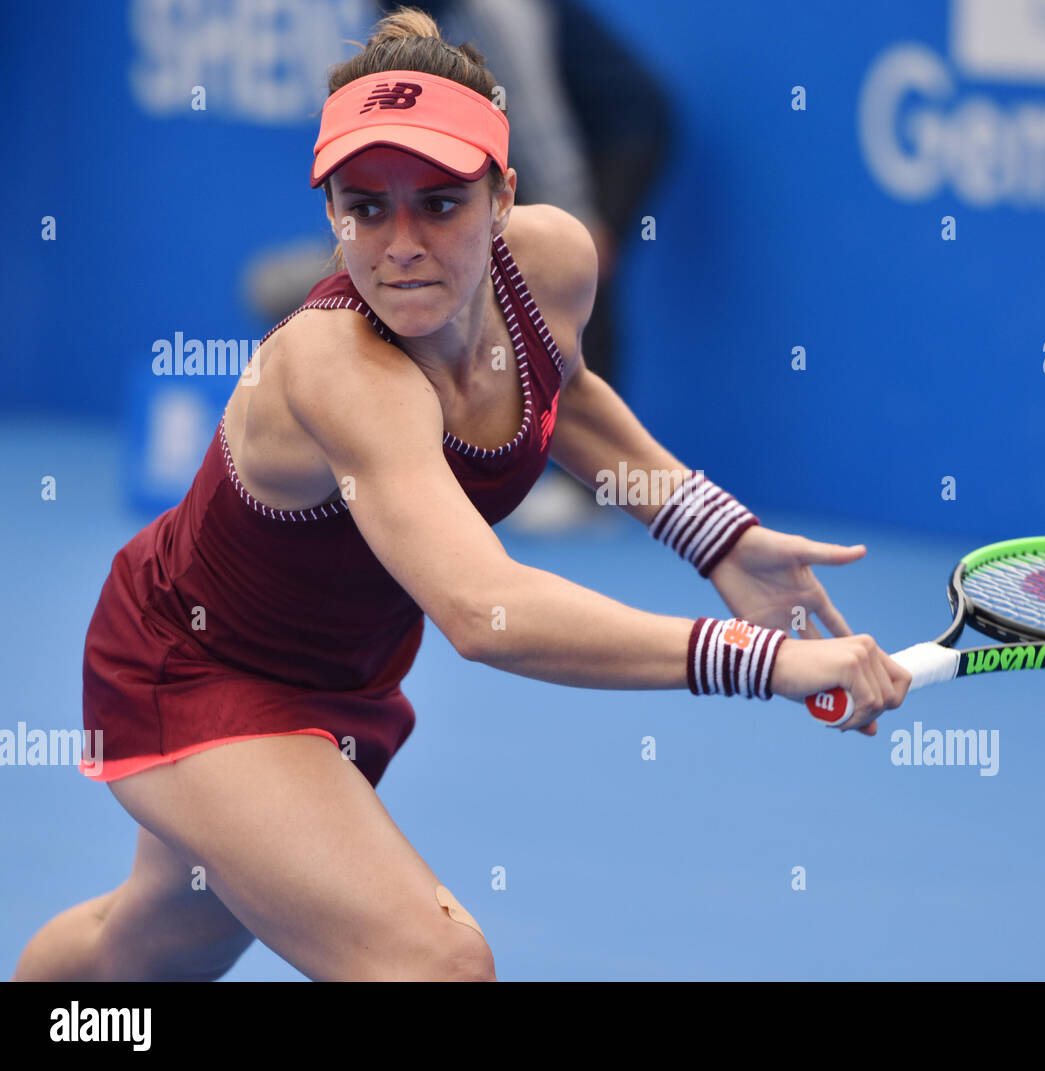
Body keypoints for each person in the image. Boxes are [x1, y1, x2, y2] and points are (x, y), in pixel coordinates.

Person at [11, 7, 909, 983]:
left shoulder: (551, 263)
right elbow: (489, 614)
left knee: (142, 951)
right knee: (432, 962)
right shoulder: (335, 366)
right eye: (366, 205)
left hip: (339, 677)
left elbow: (559, 390)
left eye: (440, 202)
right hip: (188, 670)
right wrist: (761, 658)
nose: (401, 242)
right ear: (331, 215)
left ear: (503, 195)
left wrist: (717, 537)